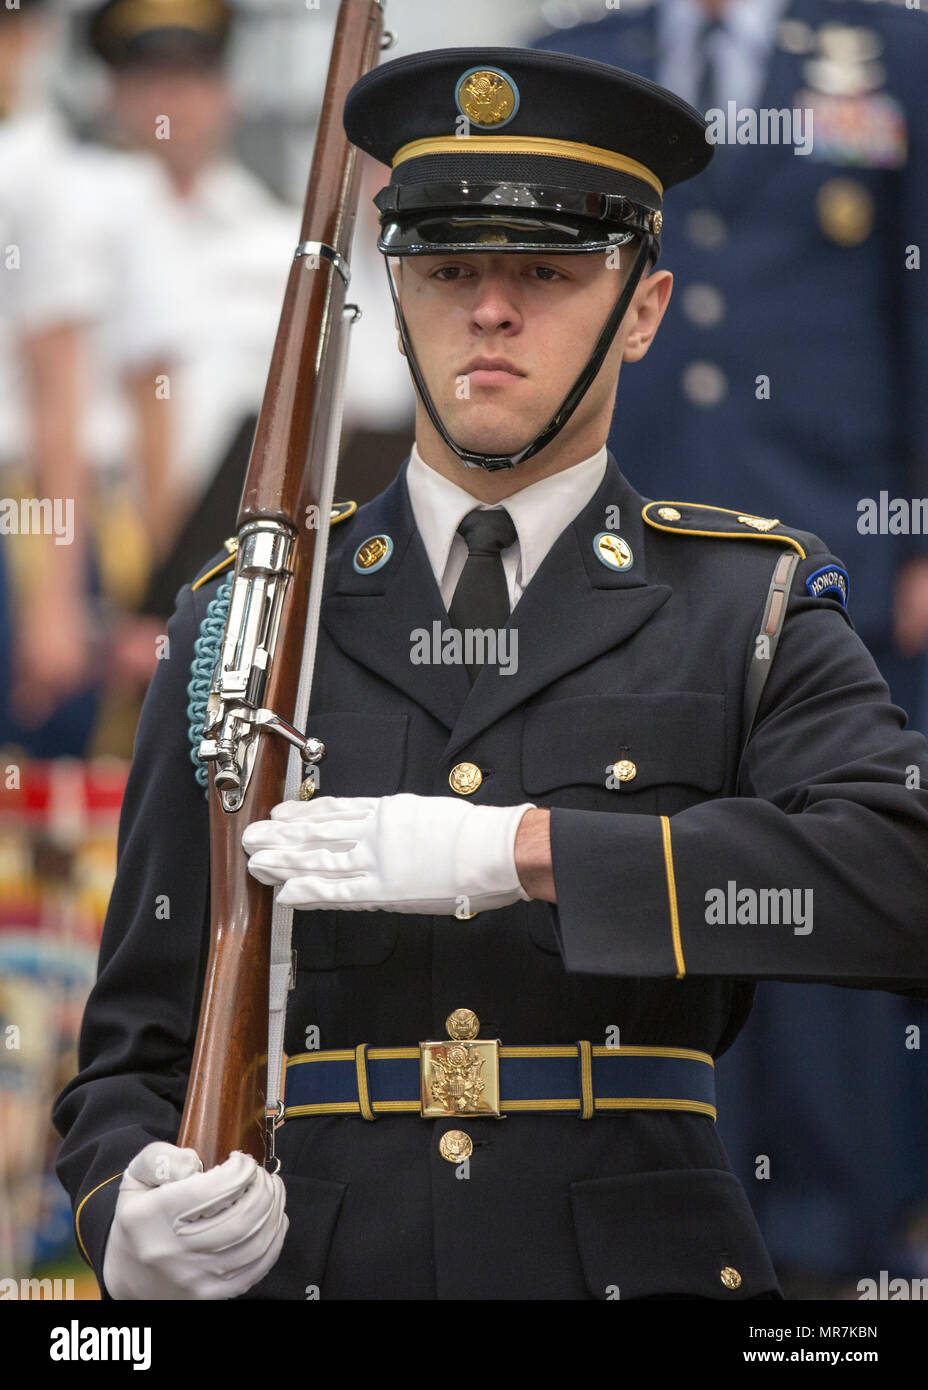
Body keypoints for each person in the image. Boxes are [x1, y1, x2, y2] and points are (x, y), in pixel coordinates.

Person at [52, 45, 928, 1302]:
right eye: (448, 267)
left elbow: (901, 876)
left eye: (546, 270)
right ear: (393, 291)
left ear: (643, 306)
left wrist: (525, 851)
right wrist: (124, 1204)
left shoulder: (745, 605)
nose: (492, 311)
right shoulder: (248, 619)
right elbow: (134, 1050)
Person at [530, 0, 928, 1292]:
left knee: (829, 909)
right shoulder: (588, 55)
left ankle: (832, 1261)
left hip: (842, 562)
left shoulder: (893, 51)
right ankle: (672, 1239)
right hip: (634, 559)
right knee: (648, 882)